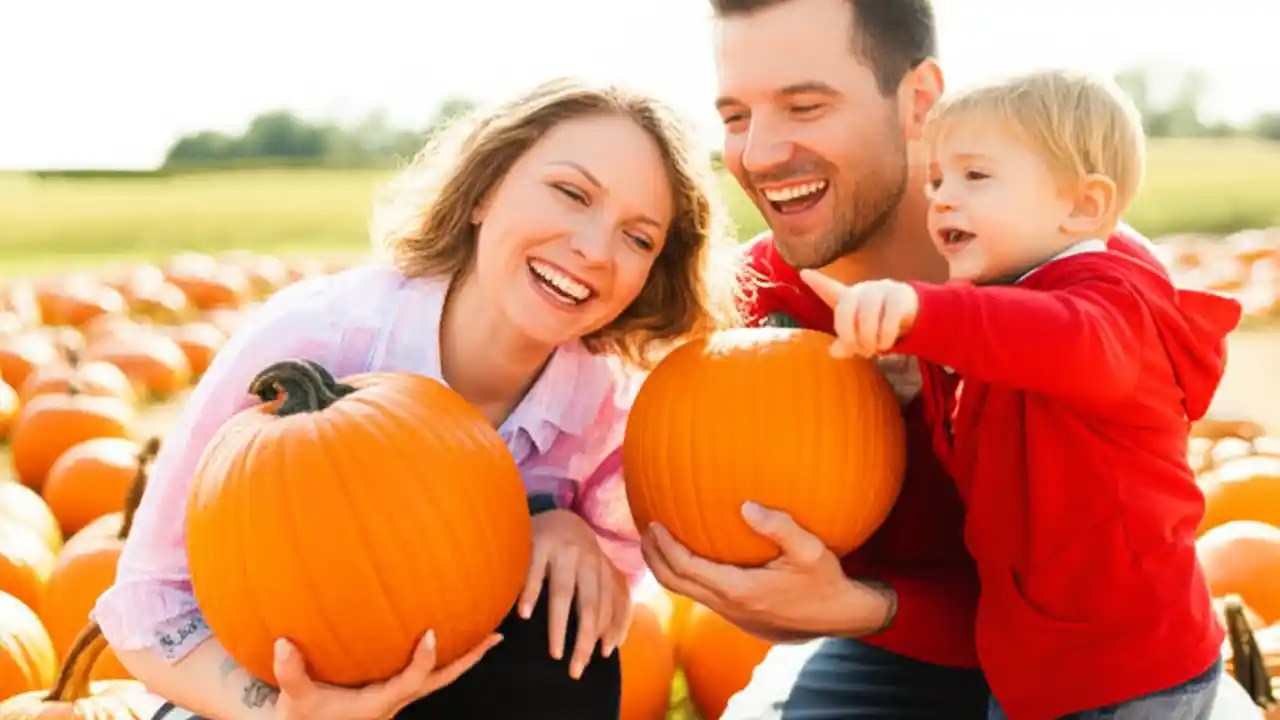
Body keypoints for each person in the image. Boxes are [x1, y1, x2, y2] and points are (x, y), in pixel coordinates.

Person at [91, 77, 737, 720]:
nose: (595, 250)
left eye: (639, 237)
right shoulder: (316, 340)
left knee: (558, 641)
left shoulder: (606, 414)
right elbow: (150, 609)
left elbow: (595, 618)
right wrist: (281, 713)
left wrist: (568, 532)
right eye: (571, 194)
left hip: (445, 678)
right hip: (248, 701)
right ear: (485, 190)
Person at [800, 69, 1238, 719]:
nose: (943, 199)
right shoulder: (1006, 316)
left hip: (1129, 672)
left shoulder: (1111, 303)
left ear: (1083, 207)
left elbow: (1057, 339)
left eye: (975, 177)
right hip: (1041, 669)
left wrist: (921, 311)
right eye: (938, 181)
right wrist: (914, 365)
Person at [641, 0, 995, 717]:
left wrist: (867, 608)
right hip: (886, 655)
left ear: (919, 101)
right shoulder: (758, 303)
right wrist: (768, 597)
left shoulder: (1058, 283)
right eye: (736, 117)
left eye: (805, 106)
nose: (760, 154)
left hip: (1100, 661)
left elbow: (1087, 604)